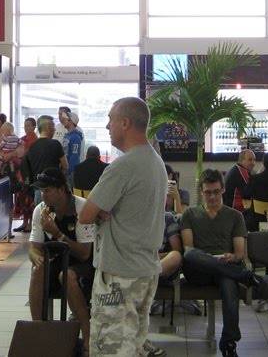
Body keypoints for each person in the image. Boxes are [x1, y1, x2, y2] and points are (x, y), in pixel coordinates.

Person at [78, 97, 167, 357]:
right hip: (145, 270)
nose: (107, 126)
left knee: (110, 349)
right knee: (134, 346)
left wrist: (103, 209)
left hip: (120, 274)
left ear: (125, 123)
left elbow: (86, 214)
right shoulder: (156, 162)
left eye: (110, 119)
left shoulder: (123, 166)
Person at [179, 169, 265, 357]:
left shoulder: (235, 216)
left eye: (216, 192)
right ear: (201, 192)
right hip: (199, 269)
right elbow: (188, 248)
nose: (212, 197)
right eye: (208, 192)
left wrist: (231, 258)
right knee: (191, 254)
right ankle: (244, 276)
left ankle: (229, 344)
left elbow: (239, 253)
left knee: (228, 285)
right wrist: (216, 261)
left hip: (225, 268)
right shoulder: (190, 215)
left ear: (223, 190)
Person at [27, 167, 96, 356]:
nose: (43, 195)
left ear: (61, 189)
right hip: (57, 258)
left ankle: (87, 334)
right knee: (37, 271)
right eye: (41, 191)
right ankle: (39, 332)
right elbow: (33, 247)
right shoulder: (40, 210)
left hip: (83, 262)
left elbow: (84, 254)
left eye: (47, 190)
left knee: (68, 276)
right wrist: (36, 258)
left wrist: (56, 232)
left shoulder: (81, 208)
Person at [23, 115, 68, 205]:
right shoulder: (56, 144)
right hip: (54, 189)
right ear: (48, 127)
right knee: (55, 217)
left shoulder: (31, 147)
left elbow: (27, 169)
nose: (55, 129)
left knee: (41, 216)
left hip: (38, 189)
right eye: (53, 126)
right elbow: (65, 166)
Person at [13, 117, 39, 232]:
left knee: (30, 198)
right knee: (21, 198)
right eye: (25, 125)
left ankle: (30, 223)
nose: (26, 127)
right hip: (20, 173)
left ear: (34, 127)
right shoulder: (21, 140)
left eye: (29, 125)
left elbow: (25, 154)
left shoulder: (36, 140)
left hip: (30, 173)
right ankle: (24, 221)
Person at [223, 150, 256, 230]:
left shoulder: (234, 169)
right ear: (241, 160)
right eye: (250, 160)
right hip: (237, 211)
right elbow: (249, 193)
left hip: (227, 209)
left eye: (254, 160)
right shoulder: (242, 171)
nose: (253, 163)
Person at [62, 111, 85, 187]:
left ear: (71, 121)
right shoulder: (67, 136)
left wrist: (67, 171)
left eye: (66, 119)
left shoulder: (75, 137)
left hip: (70, 173)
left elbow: (74, 156)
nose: (64, 120)